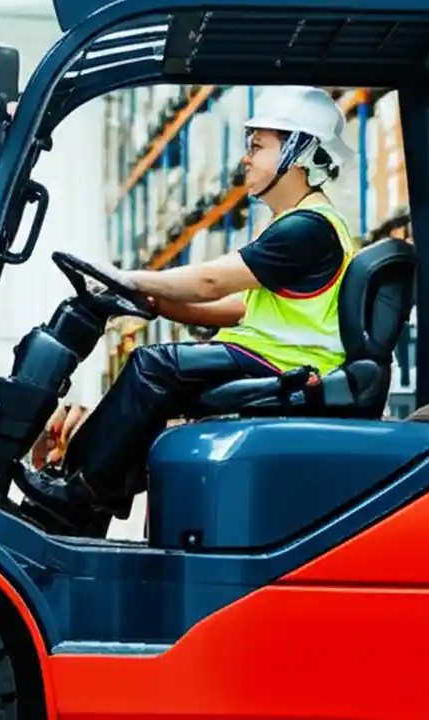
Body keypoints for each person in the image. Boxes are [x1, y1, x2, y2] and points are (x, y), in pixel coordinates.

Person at [20, 85, 361, 531]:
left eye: (257, 147)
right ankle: (94, 490)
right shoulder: (302, 225)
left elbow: (210, 282)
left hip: (290, 364)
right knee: (157, 380)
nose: (245, 158)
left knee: (150, 368)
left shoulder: (306, 229)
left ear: (299, 152)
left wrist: (130, 277)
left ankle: (82, 492)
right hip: (278, 356)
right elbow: (238, 307)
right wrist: (158, 303)